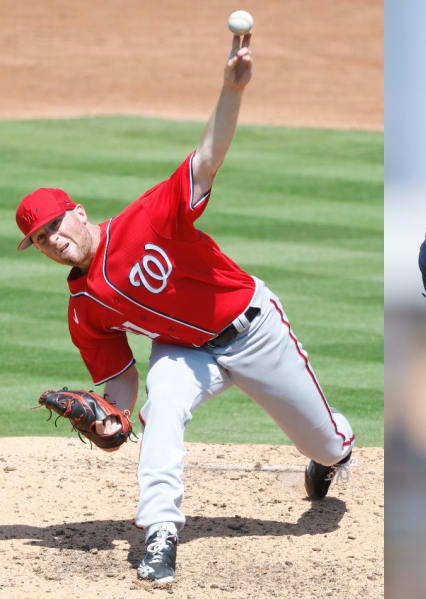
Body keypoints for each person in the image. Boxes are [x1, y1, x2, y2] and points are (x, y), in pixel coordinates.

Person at [15, 32, 354, 586]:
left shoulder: (146, 218)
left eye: (55, 225)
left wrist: (230, 89)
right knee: (162, 407)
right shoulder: (82, 309)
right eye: (41, 238)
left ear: (78, 213)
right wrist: (111, 418)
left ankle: (330, 451)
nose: (53, 239)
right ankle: (160, 534)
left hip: (254, 328)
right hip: (184, 351)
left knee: (325, 443)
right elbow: (121, 380)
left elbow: (206, 159)